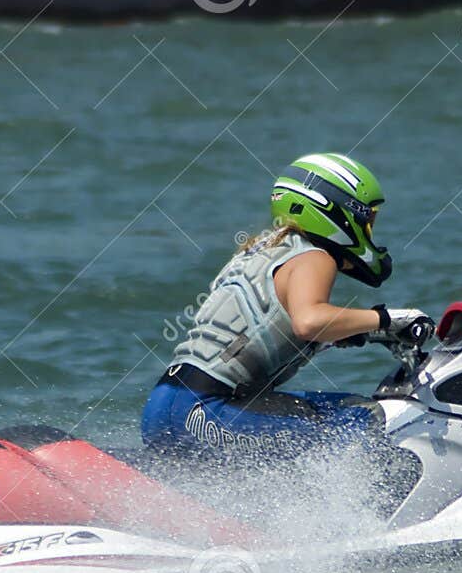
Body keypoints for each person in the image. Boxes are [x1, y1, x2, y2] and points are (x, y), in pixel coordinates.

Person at [142, 152, 433, 460]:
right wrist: (387, 319)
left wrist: (363, 333)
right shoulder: (315, 257)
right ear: (337, 212)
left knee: (340, 406)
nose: (370, 230)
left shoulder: (262, 252)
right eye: (368, 220)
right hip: (207, 413)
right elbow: (308, 321)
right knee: (360, 419)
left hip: (164, 407)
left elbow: (266, 329)